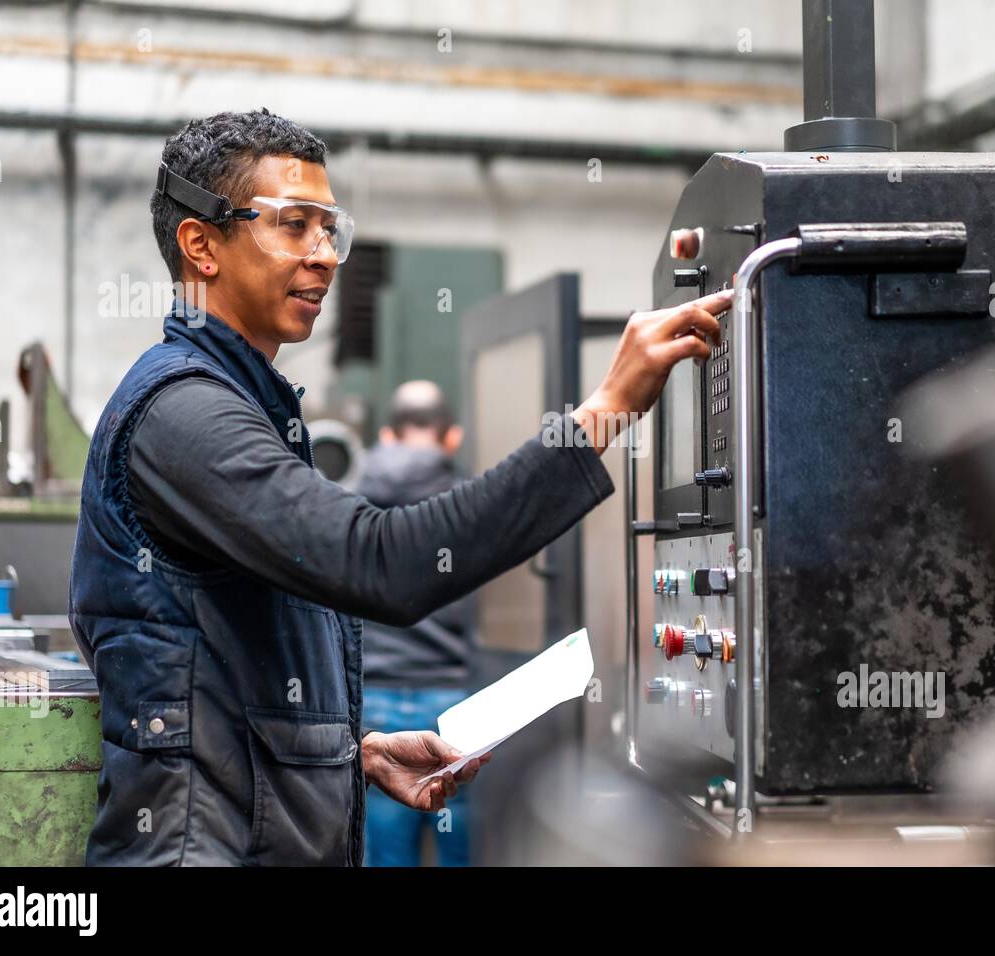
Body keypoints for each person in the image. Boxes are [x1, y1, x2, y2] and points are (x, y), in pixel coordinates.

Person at [69, 108, 732, 865]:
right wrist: (605, 410)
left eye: (330, 229)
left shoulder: (241, 405)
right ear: (202, 246)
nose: (325, 255)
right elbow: (381, 562)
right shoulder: (183, 414)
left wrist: (349, 755)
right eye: (294, 226)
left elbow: (229, 674)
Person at [355, 381, 476, 866]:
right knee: (460, 844)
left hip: (375, 702)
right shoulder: (473, 505)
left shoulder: (348, 504)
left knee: (385, 852)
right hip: (455, 701)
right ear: (453, 439)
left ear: (387, 436)